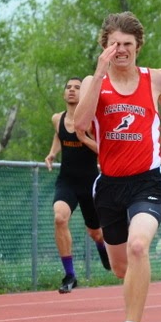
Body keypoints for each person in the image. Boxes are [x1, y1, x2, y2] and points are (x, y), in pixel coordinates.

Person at [73, 11, 161, 322]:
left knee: (139, 246)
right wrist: (99, 72)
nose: (121, 50)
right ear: (105, 46)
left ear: (139, 46)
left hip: (148, 181)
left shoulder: (156, 79)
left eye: (127, 44)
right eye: (115, 44)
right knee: (121, 268)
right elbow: (80, 125)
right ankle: (134, 298)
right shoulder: (92, 82)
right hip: (110, 185)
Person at [44, 77, 110, 293]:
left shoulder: (91, 122)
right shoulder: (57, 118)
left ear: (84, 94)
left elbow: (106, 150)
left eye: (77, 88)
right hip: (67, 181)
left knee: (96, 233)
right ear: (64, 94)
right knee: (59, 217)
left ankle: (103, 248)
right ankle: (70, 275)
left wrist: (84, 138)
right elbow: (58, 135)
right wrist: (53, 153)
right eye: (68, 87)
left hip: (90, 183)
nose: (72, 91)